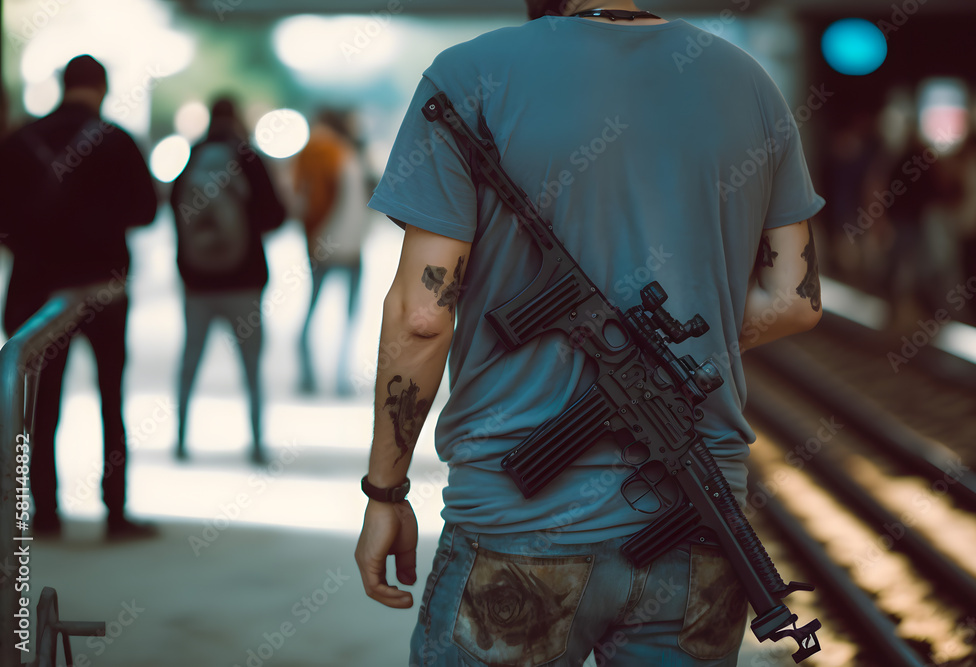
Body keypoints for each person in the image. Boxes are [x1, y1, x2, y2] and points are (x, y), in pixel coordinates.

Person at [355, 2, 824, 665]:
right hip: (700, 537)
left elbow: (421, 315)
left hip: (520, 528)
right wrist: (670, 358)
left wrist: (386, 490)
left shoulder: (469, 76)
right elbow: (795, 300)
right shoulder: (749, 83)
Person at [0, 55, 159, 539]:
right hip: (103, 290)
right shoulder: (117, 141)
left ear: (62, 86)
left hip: (37, 292)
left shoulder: (19, 142)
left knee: (40, 406)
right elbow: (148, 211)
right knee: (111, 398)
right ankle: (115, 512)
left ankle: (44, 513)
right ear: (102, 88)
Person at [170, 97, 286, 464]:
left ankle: (181, 438)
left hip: (197, 284)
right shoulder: (249, 158)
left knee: (190, 360)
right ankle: (255, 442)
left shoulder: (191, 156)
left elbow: (175, 211)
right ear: (236, 118)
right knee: (251, 365)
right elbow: (276, 215)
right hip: (245, 281)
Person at [292, 109, 374, 396]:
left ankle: (307, 375)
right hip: (352, 247)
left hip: (324, 245)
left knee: (311, 309)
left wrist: (312, 236)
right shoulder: (348, 153)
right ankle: (340, 378)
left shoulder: (318, 151)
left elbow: (306, 200)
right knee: (349, 316)